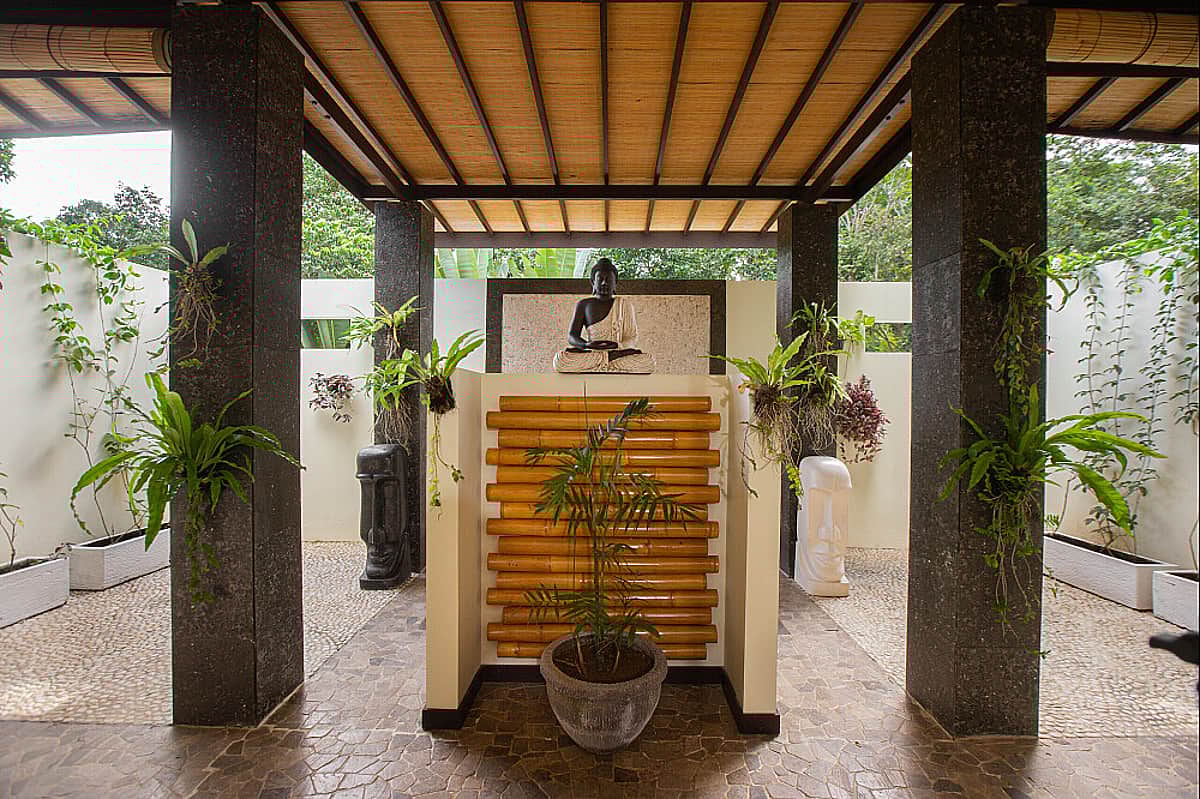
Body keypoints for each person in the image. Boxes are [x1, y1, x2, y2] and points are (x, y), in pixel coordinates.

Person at [552, 258, 655, 374]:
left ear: (615, 283)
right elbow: (572, 336)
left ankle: (605, 361)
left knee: (648, 361)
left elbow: (631, 338)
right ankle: (607, 361)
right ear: (593, 282)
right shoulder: (584, 304)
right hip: (593, 353)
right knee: (561, 360)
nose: (604, 283)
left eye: (608, 280)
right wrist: (585, 344)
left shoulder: (624, 304)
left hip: (617, 353)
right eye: (600, 279)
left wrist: (618, 346)